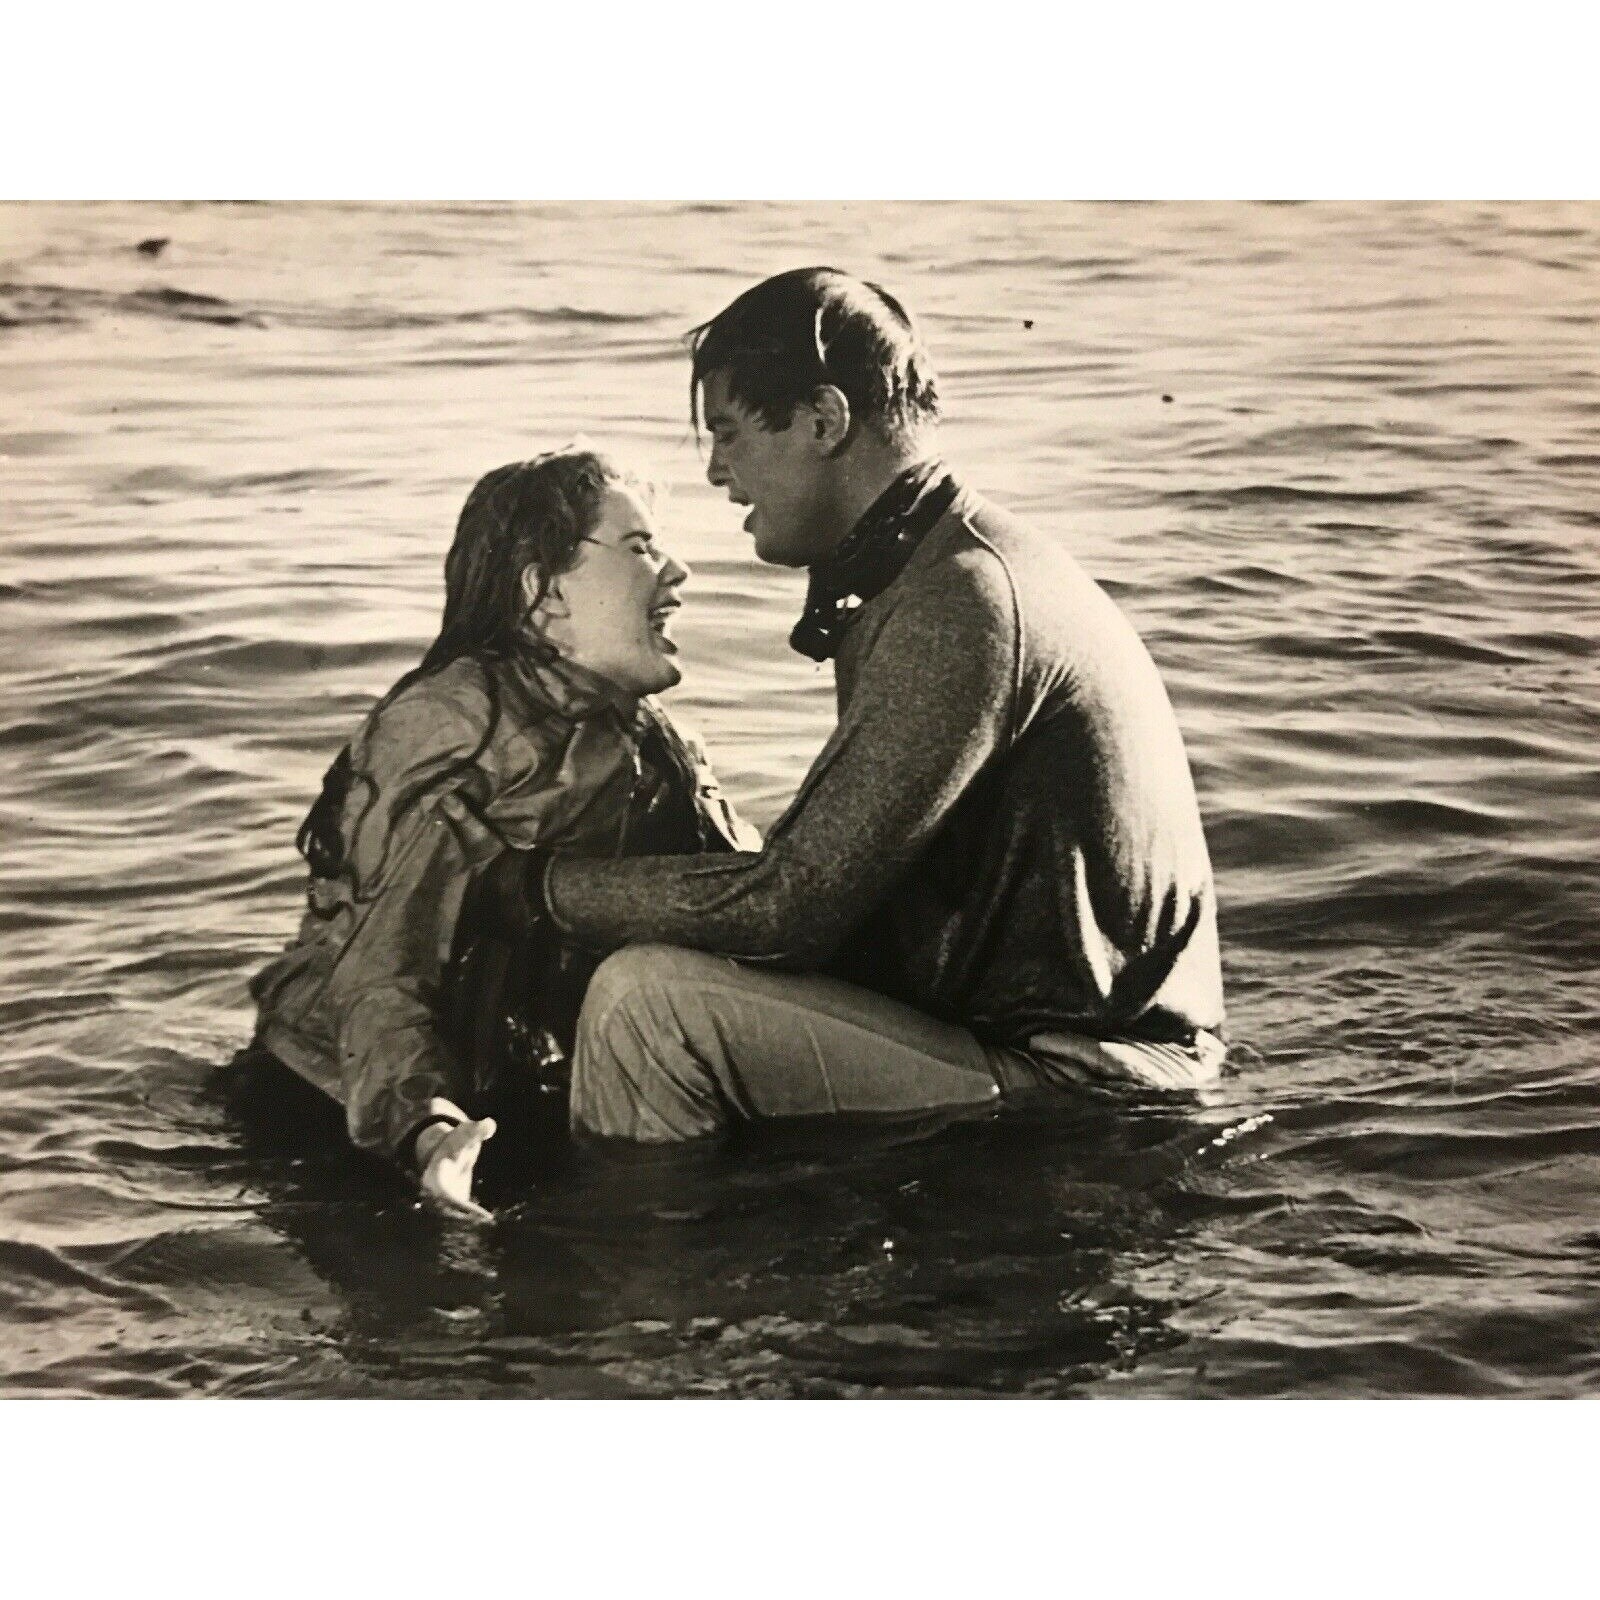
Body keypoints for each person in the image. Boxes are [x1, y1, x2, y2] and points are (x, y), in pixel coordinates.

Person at [503, 268, 1226, 1146]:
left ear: (822, 422)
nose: (715, 471)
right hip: (1049, 1049)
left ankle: (642, 1276)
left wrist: (532, 887)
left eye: (729, 434)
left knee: (646, 1006)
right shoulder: (931, 567)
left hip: (1089, 1085)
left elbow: (791, 908)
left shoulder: (960, 602)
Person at [246, 448, 757, 1217]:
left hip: (491, 1095)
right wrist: (425, 1130)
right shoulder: (453, 727)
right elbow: (381, 961)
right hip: (343, 1108)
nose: (677, 571)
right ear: (541, 594)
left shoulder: (646, 735)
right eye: (641, 548)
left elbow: (742, 895)